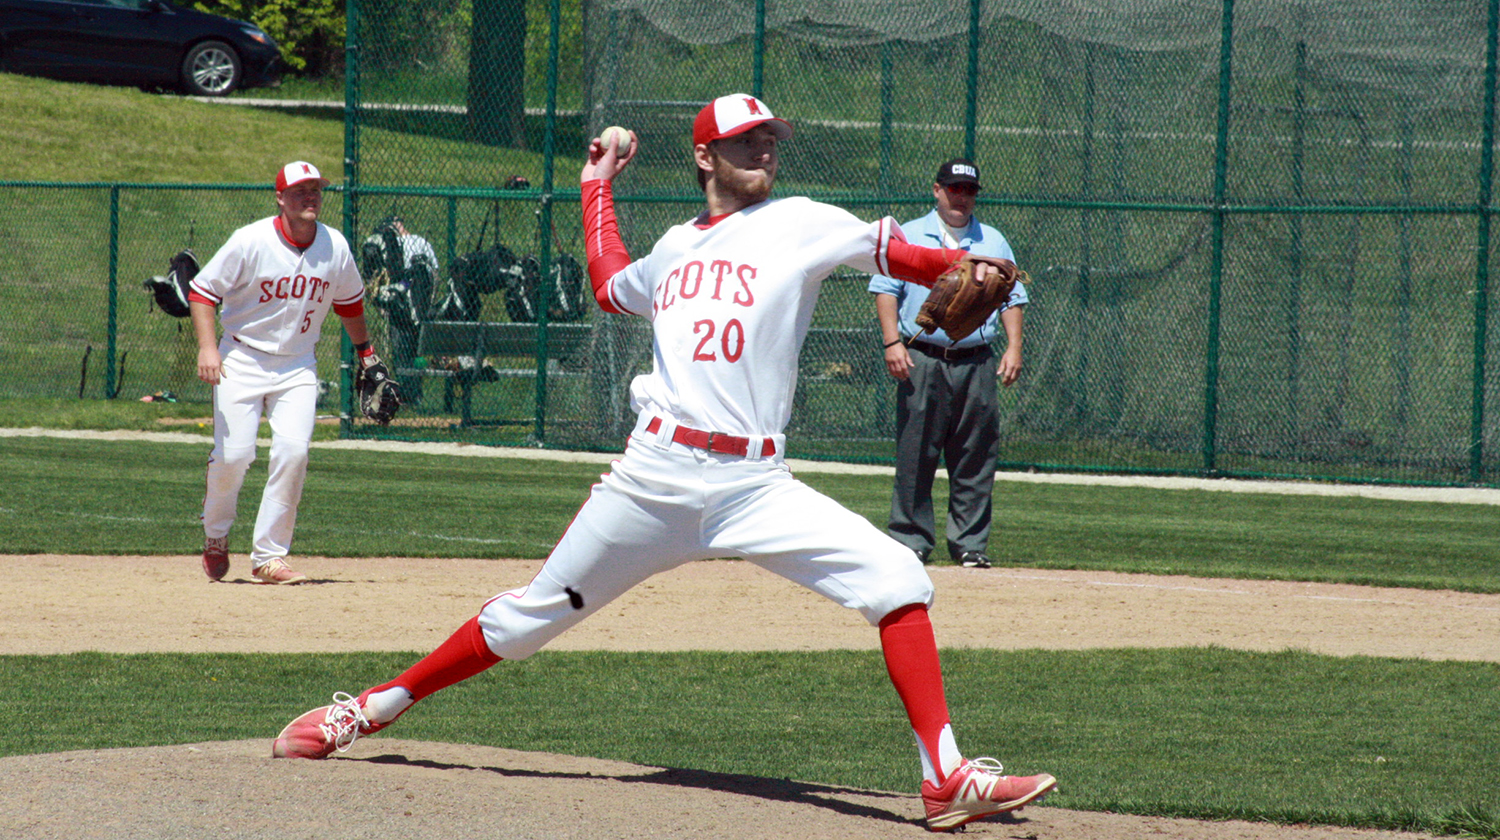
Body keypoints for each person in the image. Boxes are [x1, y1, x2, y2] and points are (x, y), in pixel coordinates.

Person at [269, 95, 1056, 832]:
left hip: (755, 485)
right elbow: (612, 284)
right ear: (706, 157)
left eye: (770, 140)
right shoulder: (677, 247)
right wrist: (595, 185)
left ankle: (944, 778)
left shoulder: (805, 221)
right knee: (523, 620)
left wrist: (950, 272)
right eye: (748, 142)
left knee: (898, 580)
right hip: (653, 479)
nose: (765, 151)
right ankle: (370, 710)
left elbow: (896, 252)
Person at [190, 161, 385, 585]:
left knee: (293, 452)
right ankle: (216, 534)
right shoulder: (250, 241)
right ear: (280, 198)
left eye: (315, 189)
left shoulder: (335, 246)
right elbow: (203, 291)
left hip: (298, 364)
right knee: (234, 456)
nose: (310, 196)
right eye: (300, 191)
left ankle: (269, 557)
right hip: (241, 359)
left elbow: (349, 303)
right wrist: (208, 347)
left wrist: (366, 353)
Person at [868, 158, 1027, 570]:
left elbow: (1013, 297)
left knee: (975, 455)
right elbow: (885, 289)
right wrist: (891, 342)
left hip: (976, 360)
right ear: (937, 190)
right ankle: (910, 540)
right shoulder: (910, 234)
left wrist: (1014, 348)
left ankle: (970, 545)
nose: (961, 197)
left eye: (969, 190)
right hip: (922, 356)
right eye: (954, 188)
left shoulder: (992, 241)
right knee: (915, 452)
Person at [366, 214, 439, 404]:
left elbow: (432, 272)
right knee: (404, 353)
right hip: (405, 306)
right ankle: (409, 395)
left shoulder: (416, 241)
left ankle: (412, 394)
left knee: (407, 352)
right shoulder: (390, 244)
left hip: (408, 305)